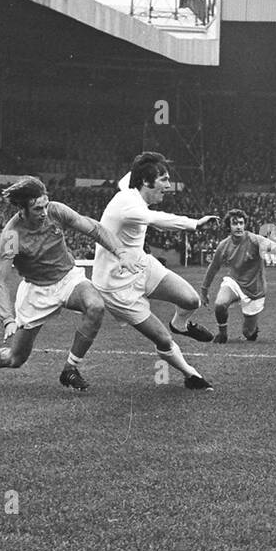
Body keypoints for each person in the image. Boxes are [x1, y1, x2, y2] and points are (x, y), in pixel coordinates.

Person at [0, 176, 142, 390]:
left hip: (68, 279)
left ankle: (70, 369)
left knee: (95, 306)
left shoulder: (56, 211)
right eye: (38, 209)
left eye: (45, 205)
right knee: (15, 359)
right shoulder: (12, 235)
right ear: (22, 209)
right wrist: (8, 319)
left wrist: (120, 251)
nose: (44, 213)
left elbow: (93, 228)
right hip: (37, 292)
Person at [88, 152, 218, 390]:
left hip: (141, 265)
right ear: (146, 182)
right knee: (162, 339)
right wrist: (195, 223)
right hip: (116, 285)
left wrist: (150, 159)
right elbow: (157, 219)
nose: (169, 186)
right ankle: (191, 375)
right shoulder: (128, 205)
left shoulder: (133, 186)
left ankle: (180, 324)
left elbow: (131, 175)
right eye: (164, 180)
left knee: (191, 300)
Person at [199, 208, 276, 343]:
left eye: (241, 223)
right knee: (220, 304)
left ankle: (252, 330)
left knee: (248, 333)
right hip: (234, 282)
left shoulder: (254, 240)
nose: (238, 226)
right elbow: (213, 268)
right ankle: (222, 334)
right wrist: (204, 290)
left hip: (254, 289)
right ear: (228, 226)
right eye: (235, 223)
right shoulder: (224, 245)